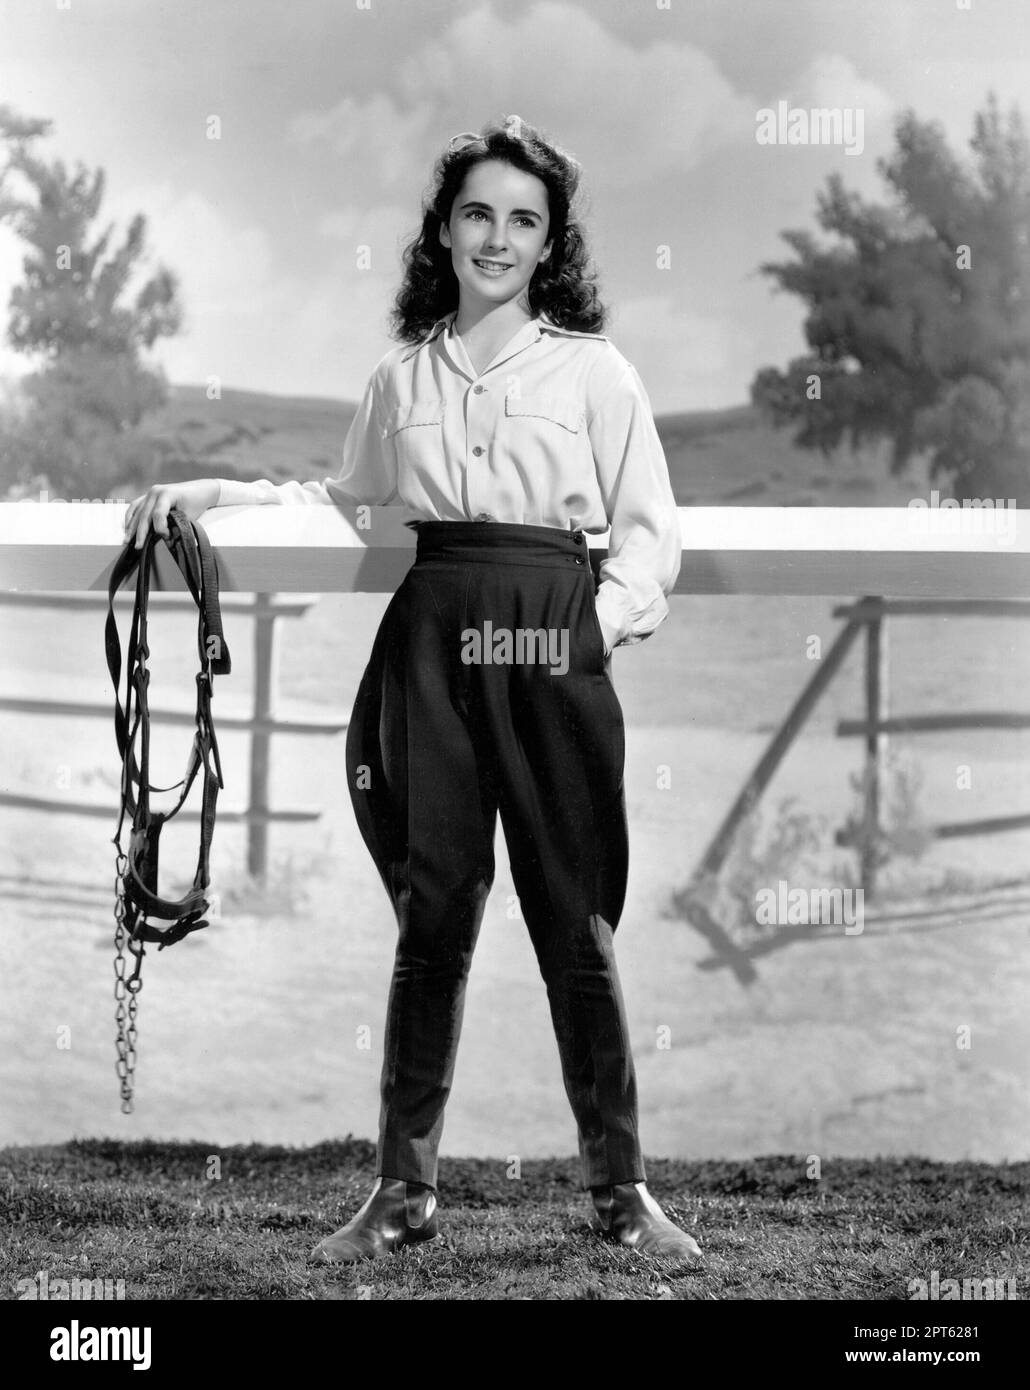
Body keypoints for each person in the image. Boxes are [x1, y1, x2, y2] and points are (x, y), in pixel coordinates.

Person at [123, 114, 701, 1272]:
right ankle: (401, 1189)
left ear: (549, 246)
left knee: (571, 914)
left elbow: (651, 539)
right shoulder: (399, 379)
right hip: (433, 631)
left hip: (547, 629)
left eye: (523, 221)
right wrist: (211, 490)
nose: (498, 237)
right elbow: (343, 503)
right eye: (478, 213)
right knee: (432, 911)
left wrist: (588, 627)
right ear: (444, 229)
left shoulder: (595, 372)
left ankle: (620, 1191)